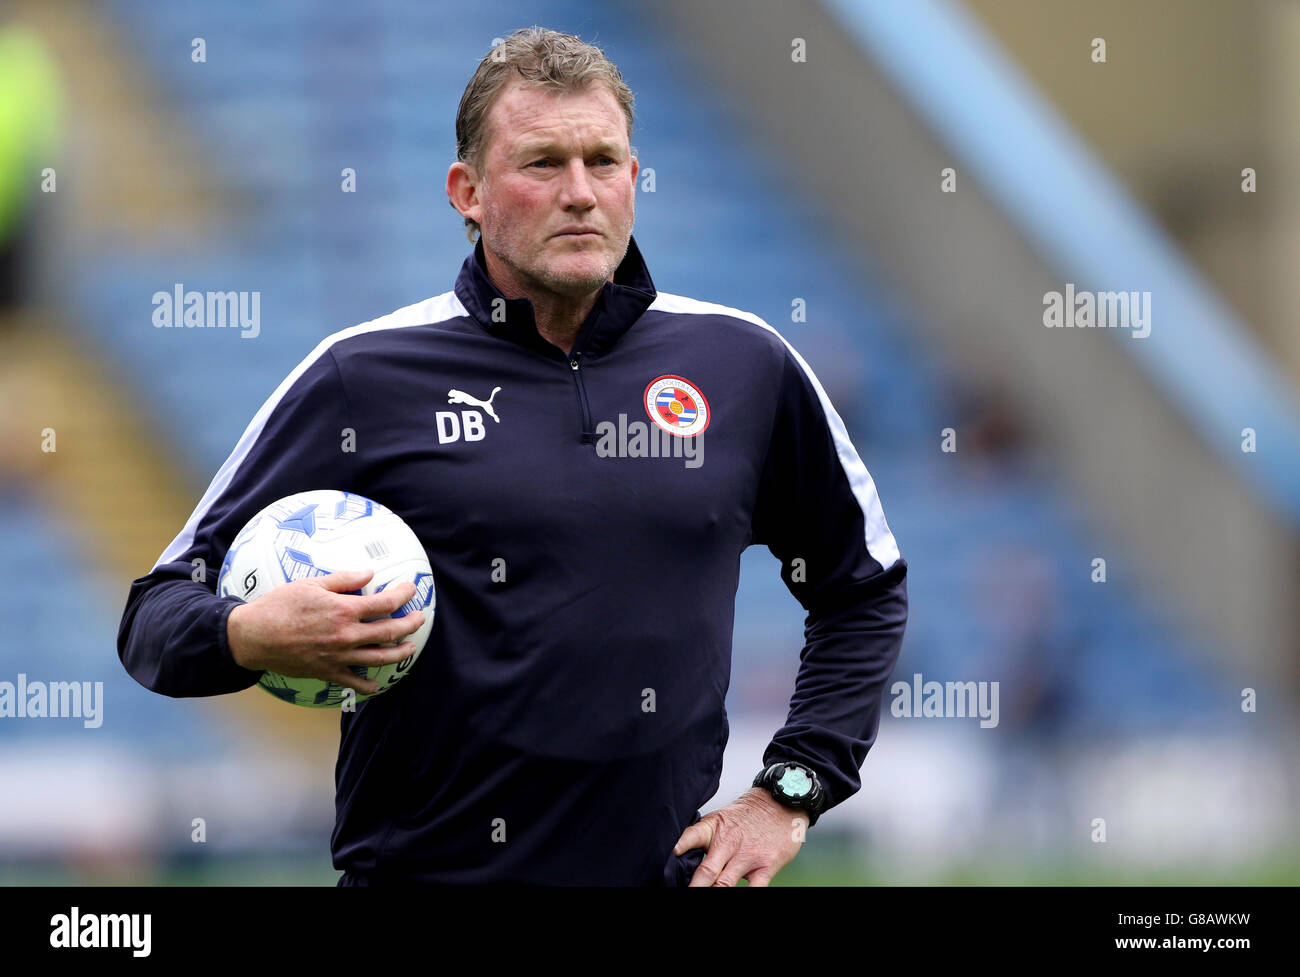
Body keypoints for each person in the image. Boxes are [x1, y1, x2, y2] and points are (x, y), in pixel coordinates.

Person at [117, 27, 908, 886]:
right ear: (468, 192)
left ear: (634, 179)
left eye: (603, 161)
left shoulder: (743, 364)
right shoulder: (363, 376)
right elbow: (155, 617)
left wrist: (789, 791)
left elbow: (862, 586)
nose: (580, 193)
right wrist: (245, 632)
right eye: (541, 164)